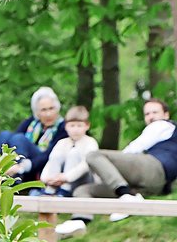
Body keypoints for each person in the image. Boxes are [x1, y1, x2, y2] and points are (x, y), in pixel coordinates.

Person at [55, 99, 177, 238]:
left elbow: (134, 149)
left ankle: (126, 195)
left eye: (155, 112)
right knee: (83, 190)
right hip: (152, 187)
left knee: (94, 156)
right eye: (147, 114)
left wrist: (105, 168)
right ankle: (79, 220)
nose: (151, 116)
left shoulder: (162, 125)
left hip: (154, 168)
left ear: (166, 115)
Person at [0, 86, 67, 182]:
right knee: (5, 135)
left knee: (19, 139)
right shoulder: (31, 123)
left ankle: (16, 178)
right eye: (44, 110)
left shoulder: (63, 127)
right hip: (22, 162)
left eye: (51, 108)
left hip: (39, 166)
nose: (48, 114)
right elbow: (12, 141)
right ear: (37, 112)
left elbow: (49, 154)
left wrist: (21, 166)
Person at [32, 105, 98, 197]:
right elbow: (52, 161)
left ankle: (65, 189)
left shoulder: (90, 142)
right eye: (72, 126)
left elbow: (85, 166)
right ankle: (51, 189)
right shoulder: (62, 143)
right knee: (58, 155)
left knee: (73, 153)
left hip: (83, 180)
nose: (75, 130)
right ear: (66, 126)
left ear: (87, 126)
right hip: (59, 180)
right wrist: (46, 178)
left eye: (79, 126)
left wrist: (66, 177)